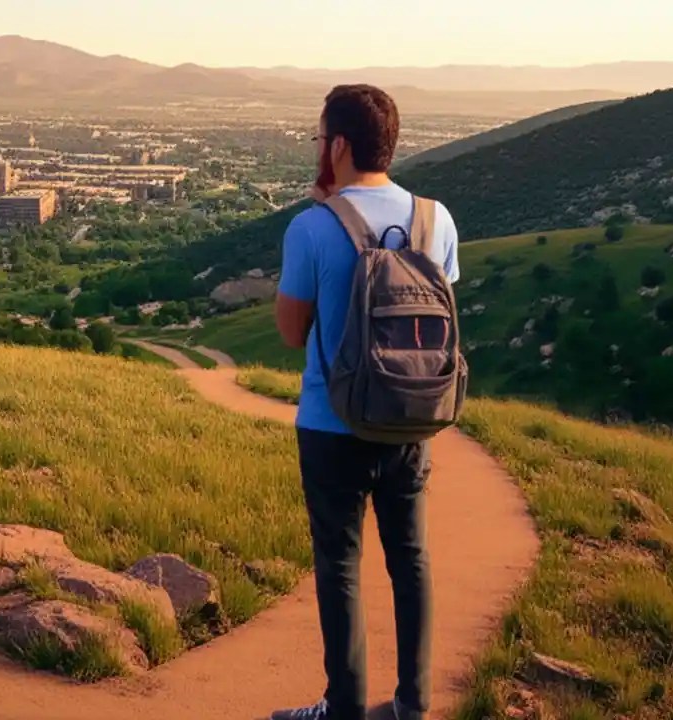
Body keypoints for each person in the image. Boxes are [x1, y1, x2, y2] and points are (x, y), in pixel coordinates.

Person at [270, 85, 460, 720]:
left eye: (321, 138)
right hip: (412, 416)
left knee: (340, 566)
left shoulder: (311, 228)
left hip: (332, 422)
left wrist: (324, 216)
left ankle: (343, 708)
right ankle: (413, 703)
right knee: (411, 557)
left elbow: (291, 332)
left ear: (339, 146)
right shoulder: (436, 219)